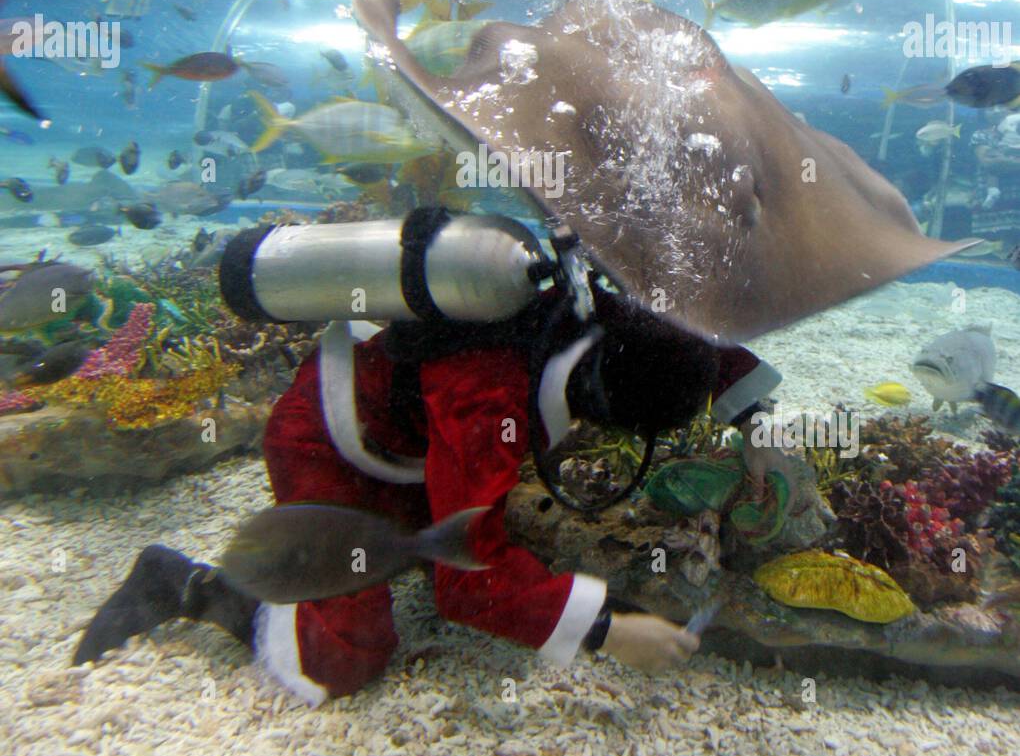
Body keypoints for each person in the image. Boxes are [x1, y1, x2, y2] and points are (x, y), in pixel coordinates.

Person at [73, 281, 780, 701]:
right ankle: (186, 584)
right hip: (328, 443)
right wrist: (609, 632)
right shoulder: (490, 405)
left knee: (441, 542)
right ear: (599, 404)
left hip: (413, 444)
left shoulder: (594, 316)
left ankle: (393, 543)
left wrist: (756, 420)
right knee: (345, 656)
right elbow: (465, 589)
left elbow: (676, 345)